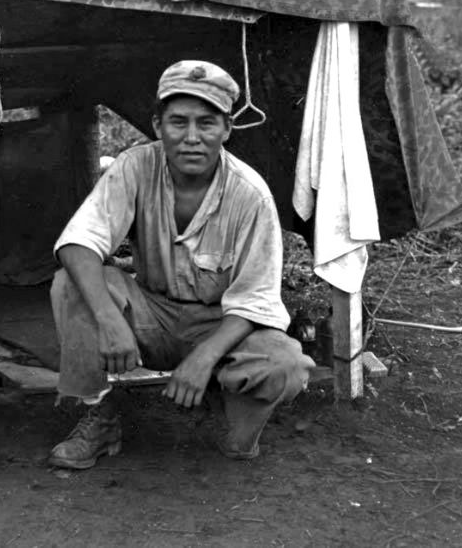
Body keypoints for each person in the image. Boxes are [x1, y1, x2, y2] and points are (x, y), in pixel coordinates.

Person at [48, 60, 315, 469]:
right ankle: (99, 415)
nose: (192, 138)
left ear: (227, 129)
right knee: (73, 283)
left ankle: (233, 421)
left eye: (207, 123)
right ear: (157, 125)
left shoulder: (251, 196)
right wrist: (109, 317)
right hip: (151, 314)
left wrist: (203, 358)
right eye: (178, 122)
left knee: (286, 364)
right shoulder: (136, 165)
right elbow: (79, 242)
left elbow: (255, 301)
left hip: (221, 323)